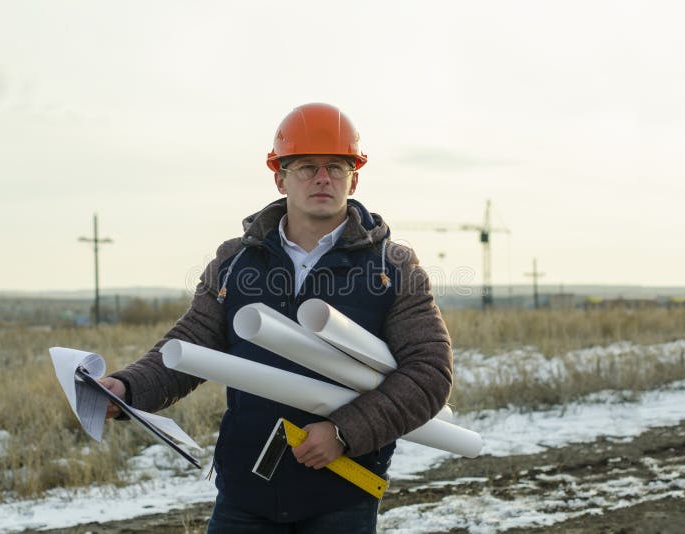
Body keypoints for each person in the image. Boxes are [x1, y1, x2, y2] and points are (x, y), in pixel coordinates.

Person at [100, 102, 452, 533]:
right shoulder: (235, 261)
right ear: (279, 177)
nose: (322, 178)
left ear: (354, 178)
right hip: (246, 492)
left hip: (342, 492)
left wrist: (344, 433)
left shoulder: (393, 266)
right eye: (306, 166)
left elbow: (429, 373)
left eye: (336, 167)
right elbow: (192, 342)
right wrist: (127, 387)